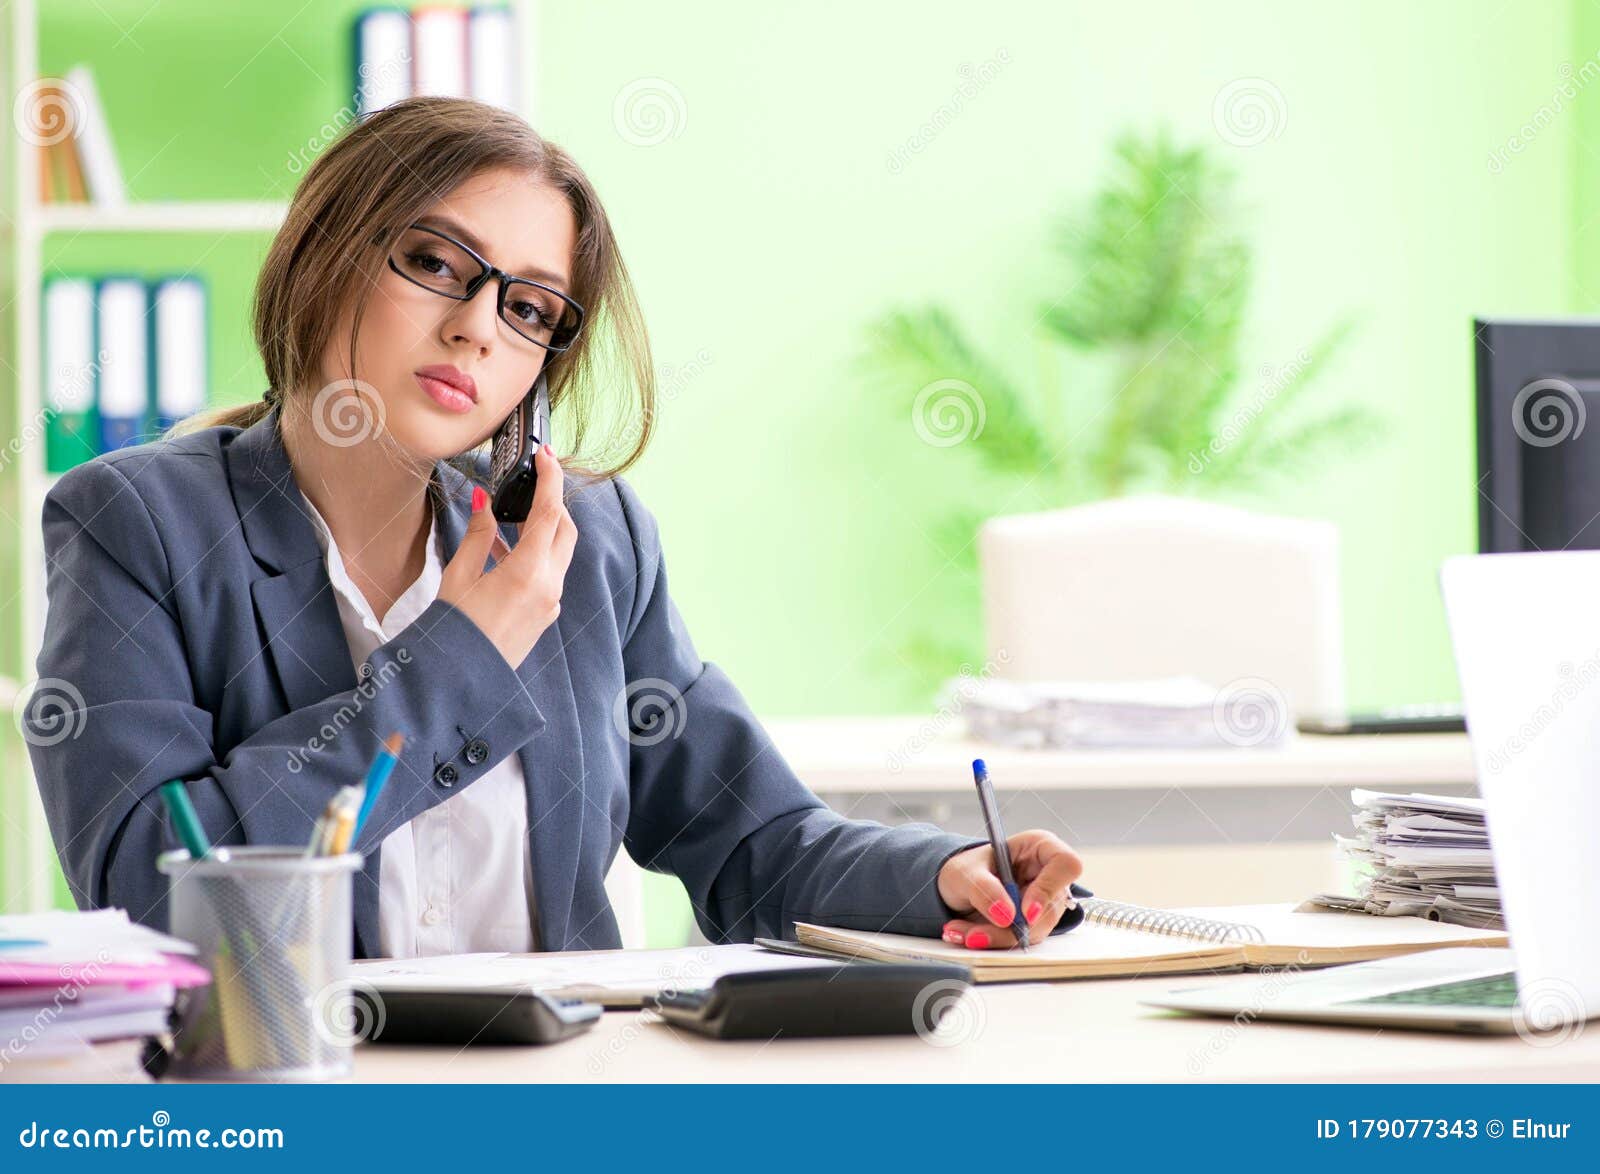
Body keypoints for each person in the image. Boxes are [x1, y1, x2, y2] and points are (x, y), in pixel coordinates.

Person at [25, 96, 1083, 959]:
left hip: (567, 1093)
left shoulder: (589, 543)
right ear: (324, 252)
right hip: (298, 1095)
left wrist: (939, 876)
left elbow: (752, 840)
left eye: (530, 308)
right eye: (438, 263)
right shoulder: (137, 523)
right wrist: (463, 655)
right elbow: (150, 887)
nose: (476, 325)